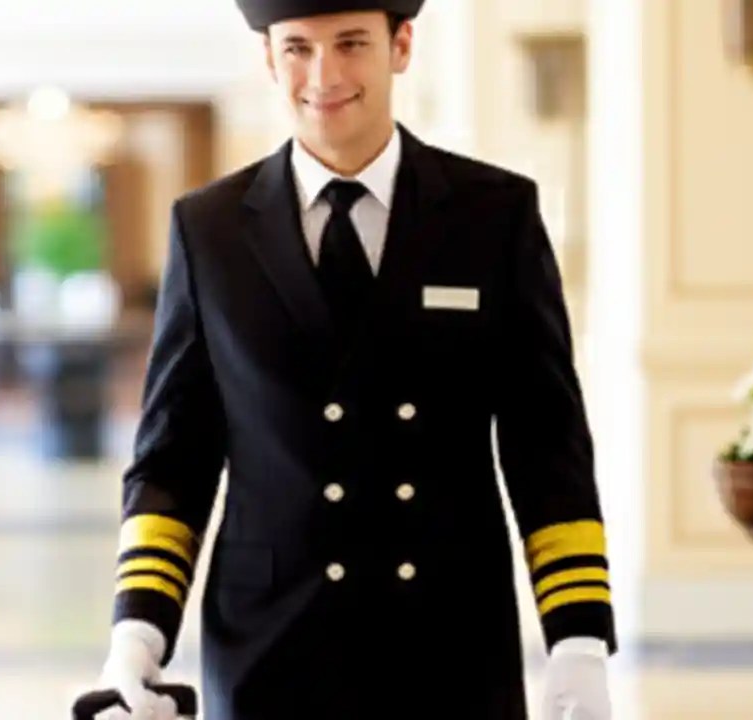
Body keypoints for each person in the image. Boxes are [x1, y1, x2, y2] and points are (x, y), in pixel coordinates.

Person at [94, 1, 616, 718]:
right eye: (298, 49)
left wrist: (578, 639)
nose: (324, 75)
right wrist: (138, 633)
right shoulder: (209, 230)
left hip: (449, 642)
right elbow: (174, 458)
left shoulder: (494, 216)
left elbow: (547, 446)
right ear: (269, 59)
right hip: (268, 648)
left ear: (401, 46)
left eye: (350, 44)